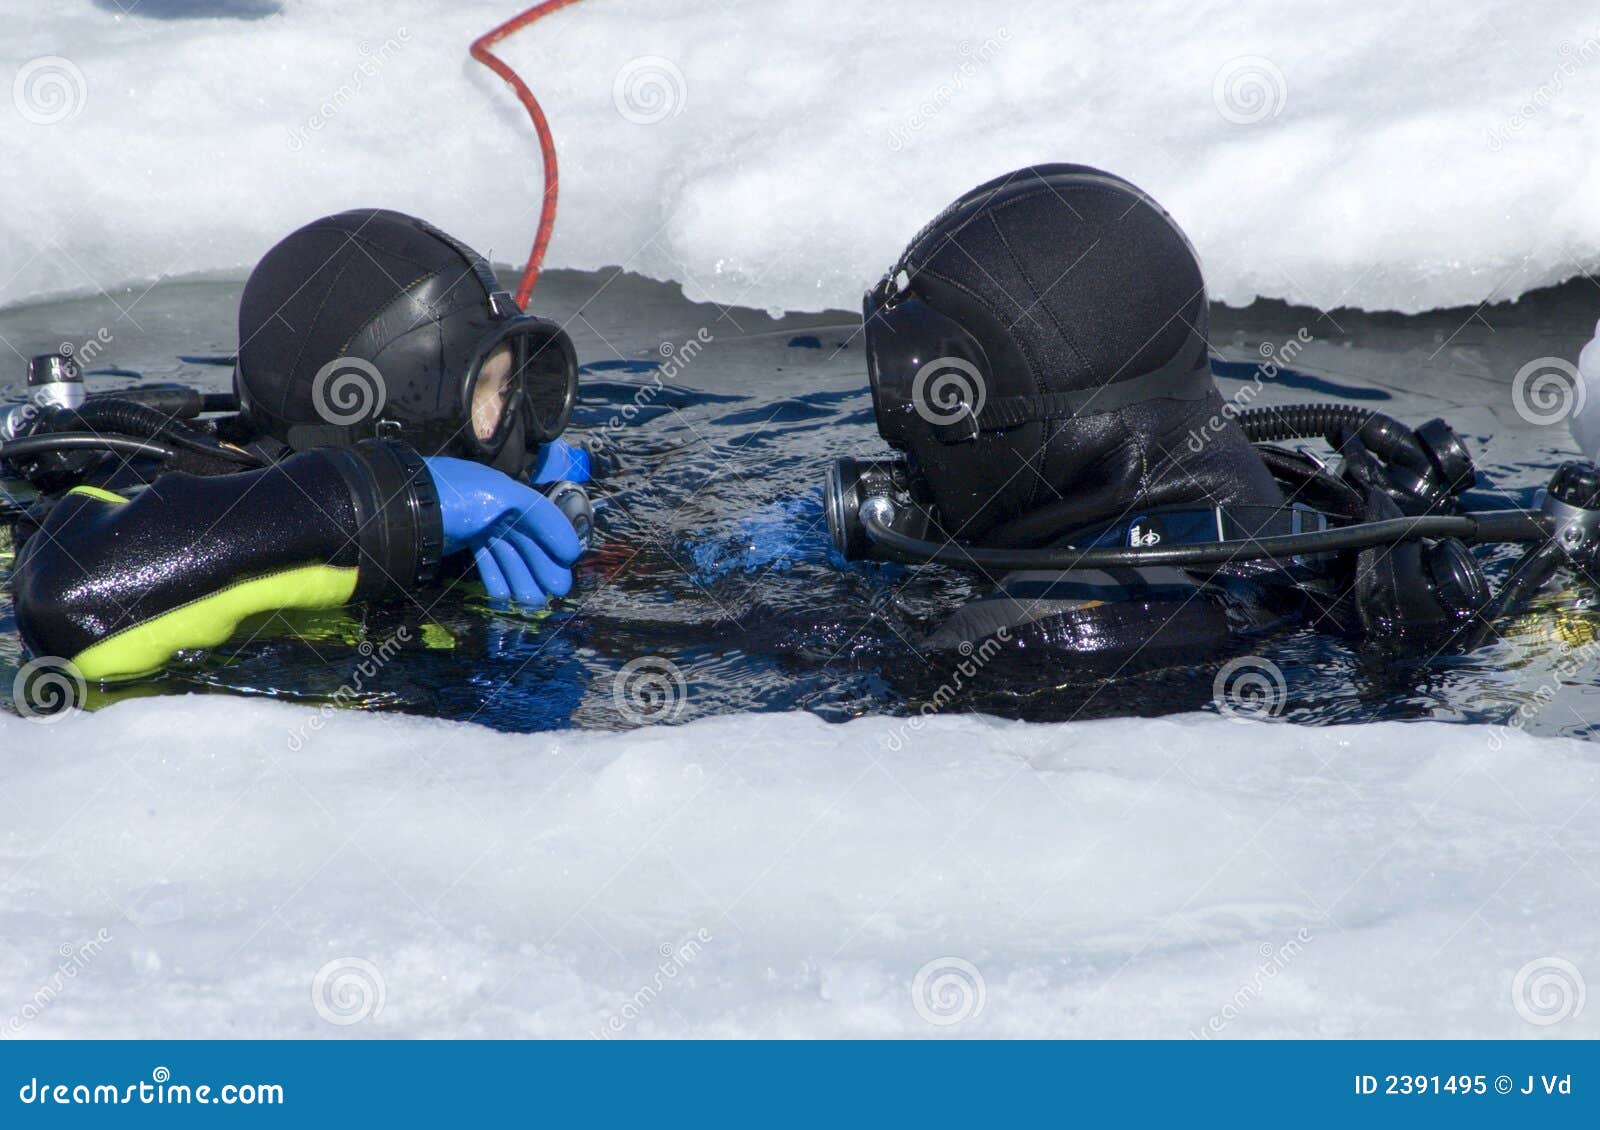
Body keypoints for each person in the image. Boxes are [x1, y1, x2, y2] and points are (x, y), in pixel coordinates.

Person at [824, 164, 1489, 668]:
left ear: (1015, 415)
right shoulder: (1305, 501)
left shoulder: (1029, 633)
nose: (907, 450)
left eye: (919, 414)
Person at [8, 209, 592, 683]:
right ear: (376, 426)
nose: (518, 426)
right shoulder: (156, 499)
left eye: (515, 385)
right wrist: (396, 501)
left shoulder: (515, 499)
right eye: (484, 394)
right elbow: (70, 604)